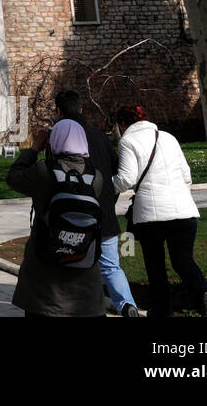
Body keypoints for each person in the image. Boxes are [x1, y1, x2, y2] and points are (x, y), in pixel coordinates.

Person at [113, 104, 207, 317]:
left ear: (123, 124)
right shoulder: (169, 138)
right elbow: (186, 175)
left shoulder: (128, 141)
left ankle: (163, 311)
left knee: (155, 265)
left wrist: (106, 185)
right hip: (184, 210)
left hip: (151, 215)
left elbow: (126, 179)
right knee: (183, 260)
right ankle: (203, 292)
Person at [6, 120, 105, 317]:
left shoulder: (43, 171)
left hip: (46, 278)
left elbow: (13, 177)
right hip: (85, 270)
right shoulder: (96, 176)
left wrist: (34, 149)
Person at [55, 90, 139, 317]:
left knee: (76, 267)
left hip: (75, 217)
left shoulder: (58, 139)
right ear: (81, 108)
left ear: (59, 111)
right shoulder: (101, 137)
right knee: (111, 266)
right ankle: (127, 304)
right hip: (104, 213)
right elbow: (115, 172)